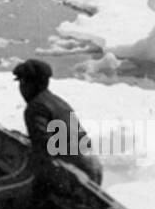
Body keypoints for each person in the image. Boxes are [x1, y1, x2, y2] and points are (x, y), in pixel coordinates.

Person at [13, 59, 103, 188]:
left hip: (74, 170)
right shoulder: (60, 103)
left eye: (21, 82)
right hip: (94, 167)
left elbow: (43, 147)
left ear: (26, 83)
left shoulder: (35, 107)